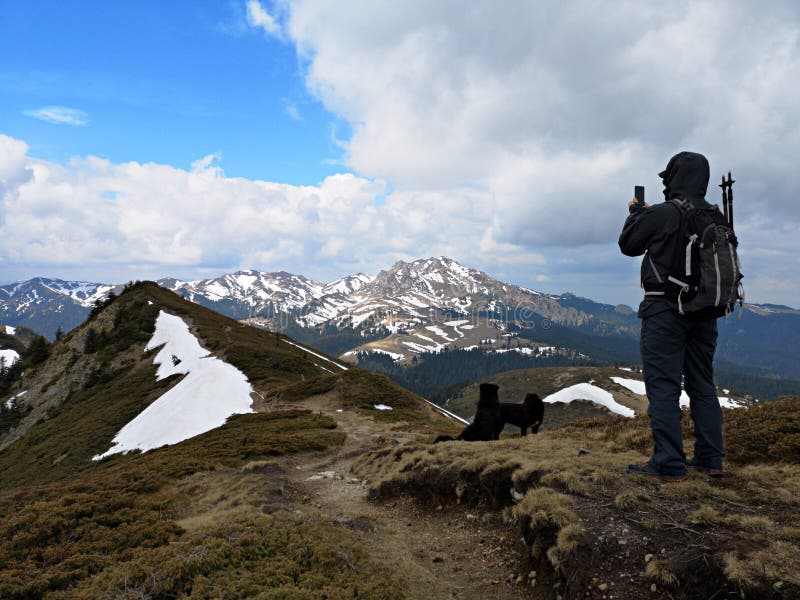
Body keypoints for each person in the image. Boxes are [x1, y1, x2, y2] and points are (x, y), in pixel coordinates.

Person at [618, 151, 725, 482]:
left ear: (674, 179)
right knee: (702, 384)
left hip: (665, 312)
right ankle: (710, 459)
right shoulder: (715, 216)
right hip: (705, 311)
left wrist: (636, 213)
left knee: (664, 386)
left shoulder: (664, 213)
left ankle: (668, 462)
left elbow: (628, 245)